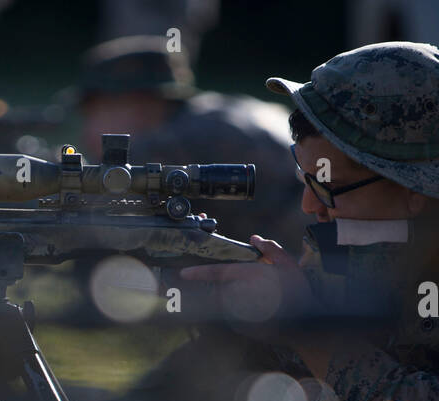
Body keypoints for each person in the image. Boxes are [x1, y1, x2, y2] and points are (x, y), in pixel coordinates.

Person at [181, 41, 439, 401]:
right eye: (304, 174)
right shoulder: (365, 238)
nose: (309, 205)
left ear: (415, 187)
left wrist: (312, 333)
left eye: (326, 186)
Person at [70, 35, 306, 249]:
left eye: (94, 113)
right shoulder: (214, 114)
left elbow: (91, 207)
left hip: (303, 253)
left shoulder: (170, 143)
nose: (86, 131)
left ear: (139, 104)